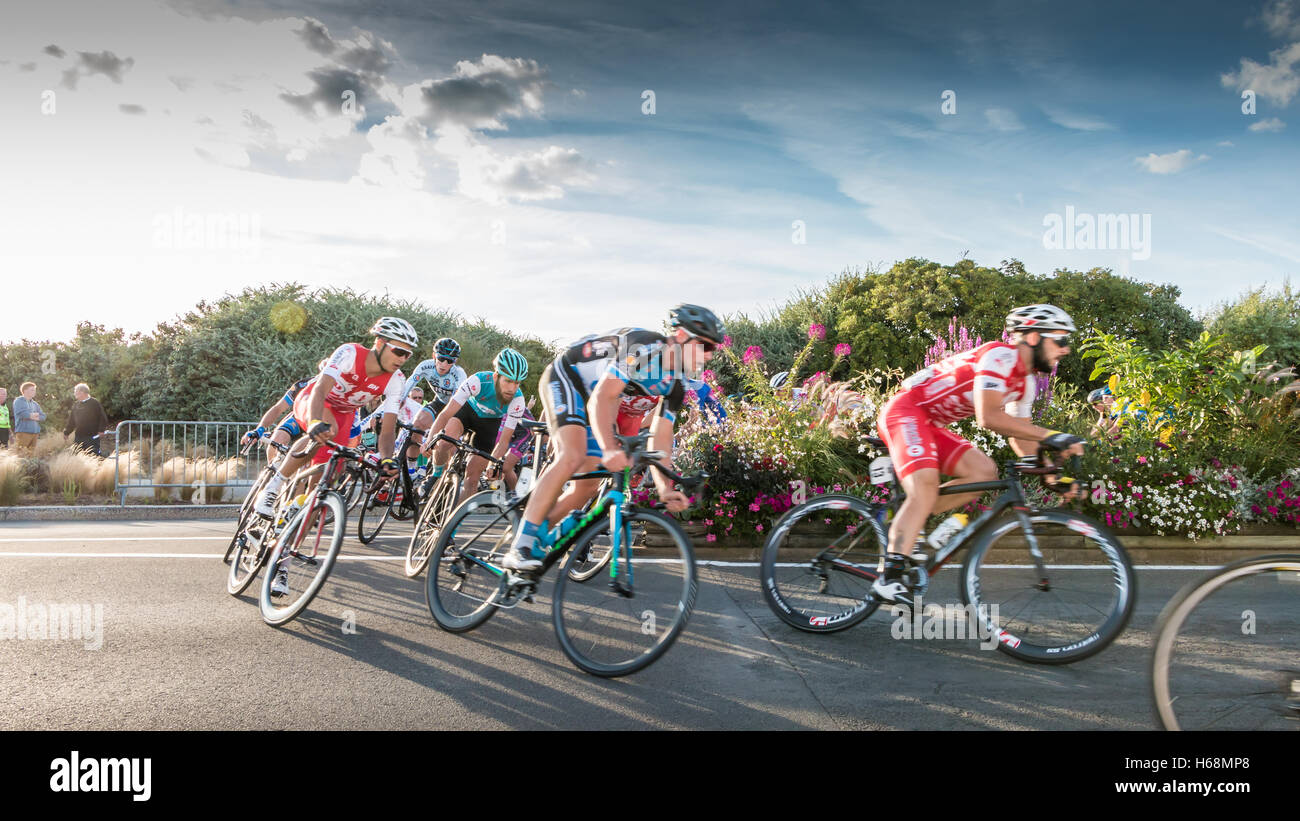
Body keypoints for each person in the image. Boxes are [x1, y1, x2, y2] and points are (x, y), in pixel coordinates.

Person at [871, 304, 1085, 606]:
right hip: (906, 411)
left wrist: (1054, 476)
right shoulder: (1001, 356)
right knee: (925, 486)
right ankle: (889, 576)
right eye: (1060, 339)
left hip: (930, 424)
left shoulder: (1025, 384)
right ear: (1034, 337)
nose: (1065, 350)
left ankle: (903, 520)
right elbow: (989, 417)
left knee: (985, 472)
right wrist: (1054, 436)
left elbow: (1020, 436)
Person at [502, 304, 722, 571]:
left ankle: (538, 531)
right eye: (706, 347)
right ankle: (520, 546)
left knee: (589, 484)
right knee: (572, 455)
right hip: (568, 376)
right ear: (680, 336)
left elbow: (661, 437)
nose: (709, 356)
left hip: (594, 394)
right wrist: (609, 448)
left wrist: (665, 488)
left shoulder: (675, 383)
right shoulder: (645, 349)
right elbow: (603, 399)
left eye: (714, 349)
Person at [252, 317, 417, 593]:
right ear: (379, 343)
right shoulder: (350, 353)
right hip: (316, 401)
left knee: (319, 497)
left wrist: (387, 458)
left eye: (408, 354)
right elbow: (320, 389)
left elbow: (387, 430)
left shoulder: (396, 380)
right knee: (323, 432)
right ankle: (273, 487)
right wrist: (315, 421)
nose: (402, 358)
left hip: (344, 414)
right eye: (398, 351)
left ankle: (282, 564)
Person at [420, 348, 529, 506]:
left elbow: (504, 441)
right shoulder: (478, 380)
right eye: (508, 381)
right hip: (467, 413)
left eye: (516, 383)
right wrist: (429, 441)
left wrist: (493, 464)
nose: (512, 388)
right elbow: (445, 414)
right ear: (496, 376)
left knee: (472, 478)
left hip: (490, 425)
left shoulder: (517, 400)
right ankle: (436, 475)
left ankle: (453, 521)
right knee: (443, 442)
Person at [64, 383, 110, 456]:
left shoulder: (94, 403)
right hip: (79, 436)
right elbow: (71, 420)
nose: (74, 393)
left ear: (82, 392)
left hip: (92, 436)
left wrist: (101, 430)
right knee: (77, 455)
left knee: (93, 455)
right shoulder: (76, 405)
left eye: (76, 391)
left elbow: (102, 417)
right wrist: (67, 432)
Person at [12, 382, 45, 455]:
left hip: (35, 433)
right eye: (32, 390)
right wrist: (33, 415)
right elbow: (21, 413)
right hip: (23, 432)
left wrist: (34, 416)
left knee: (31, 456)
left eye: (34, 390)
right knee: (21, 455)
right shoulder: (18, 401)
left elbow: (43, 416)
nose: (34, 392)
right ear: (25, 391)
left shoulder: (35, 404)